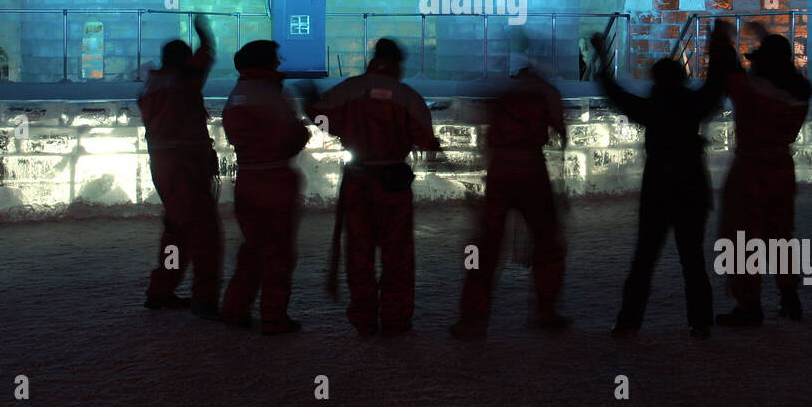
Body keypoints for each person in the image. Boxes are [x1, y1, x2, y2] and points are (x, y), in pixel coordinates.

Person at [593, 24, 729, 339]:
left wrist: (602, 57)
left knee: (644, 259)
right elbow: (716, 84)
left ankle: (629, 321)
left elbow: (615, 94)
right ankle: (700, 321)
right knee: (692, 259)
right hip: (691, 188)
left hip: (658, 189)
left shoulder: (651, 108)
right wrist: (718, 47)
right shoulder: (692, 106)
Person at [305, 39, 440, 336]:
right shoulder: (409, 96)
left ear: (373, 58)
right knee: (398, 254)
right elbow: (426, 139)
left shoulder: (349, 89)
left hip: (358, 182)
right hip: (394, 183)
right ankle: (395, 317)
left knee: (359, 251)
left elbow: (320, 115)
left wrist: (313, 103)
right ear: (398, 63)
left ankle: (364, 317)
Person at [450, 64, 570, 338]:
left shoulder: (500, 93)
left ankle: (473, 318)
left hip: (500, 170)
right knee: (547, 240)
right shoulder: (546, 92)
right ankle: (546, 310)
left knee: (486, 245)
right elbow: (560, 131)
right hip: (532, 169)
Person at [715, 27, 812, 326]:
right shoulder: (799, 92)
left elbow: (728, 70)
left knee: (742, 237)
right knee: (780, 234)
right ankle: (789, 296)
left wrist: (721, 38)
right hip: (782, 166)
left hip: (750, 168)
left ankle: (749, 304)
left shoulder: (750, 90)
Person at [220, 40, 311, 332]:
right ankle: (274, 315)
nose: (278, 64)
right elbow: (291, 137)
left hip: (247, 177)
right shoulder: (273, 94)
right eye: (275, 59)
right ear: (266, 63)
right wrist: (304, 132)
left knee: (252, 248)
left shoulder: (237, 94)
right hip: (275, 178)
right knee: (279, 251)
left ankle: (235, 308)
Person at [140, 15, 223, 319]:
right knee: (204, 232)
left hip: (162, 164)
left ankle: (162, 289)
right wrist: (205, 35)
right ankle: (205, 297)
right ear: (183, 61)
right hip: (188, 164)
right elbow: (207, 57)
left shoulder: (151, 85)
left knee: (176, 229)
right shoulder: (183, 82)